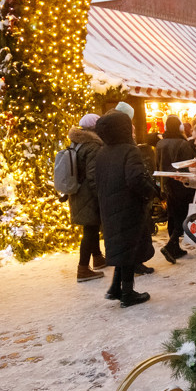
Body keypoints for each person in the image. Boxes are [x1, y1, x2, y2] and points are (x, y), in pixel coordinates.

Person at [94, 110, 155, 307]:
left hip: (109, 206)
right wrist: (150, 192)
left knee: (121, 247)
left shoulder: (102, 152)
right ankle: (127, 293)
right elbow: (136, 178)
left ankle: (115, 288)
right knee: (129, 249)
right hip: (129, 207)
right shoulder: (130, 150)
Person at [68, 114, 106, 281]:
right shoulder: (93, 145)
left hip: (77, 191)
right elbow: (93, 175)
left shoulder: (77, 142)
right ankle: (83, 268)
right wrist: (100, 194)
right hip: (88, 194)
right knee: (90, 230)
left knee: (91, 226)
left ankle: (97, 258)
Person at [156, 115, 196, 263]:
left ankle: (174, 245)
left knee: (172, 214)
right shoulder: (182, 144)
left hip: (166, 184)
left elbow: (157, 164)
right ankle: (171, 245)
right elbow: (188, 165)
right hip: (181, 183)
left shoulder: (160, 143)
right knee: (182, 215)